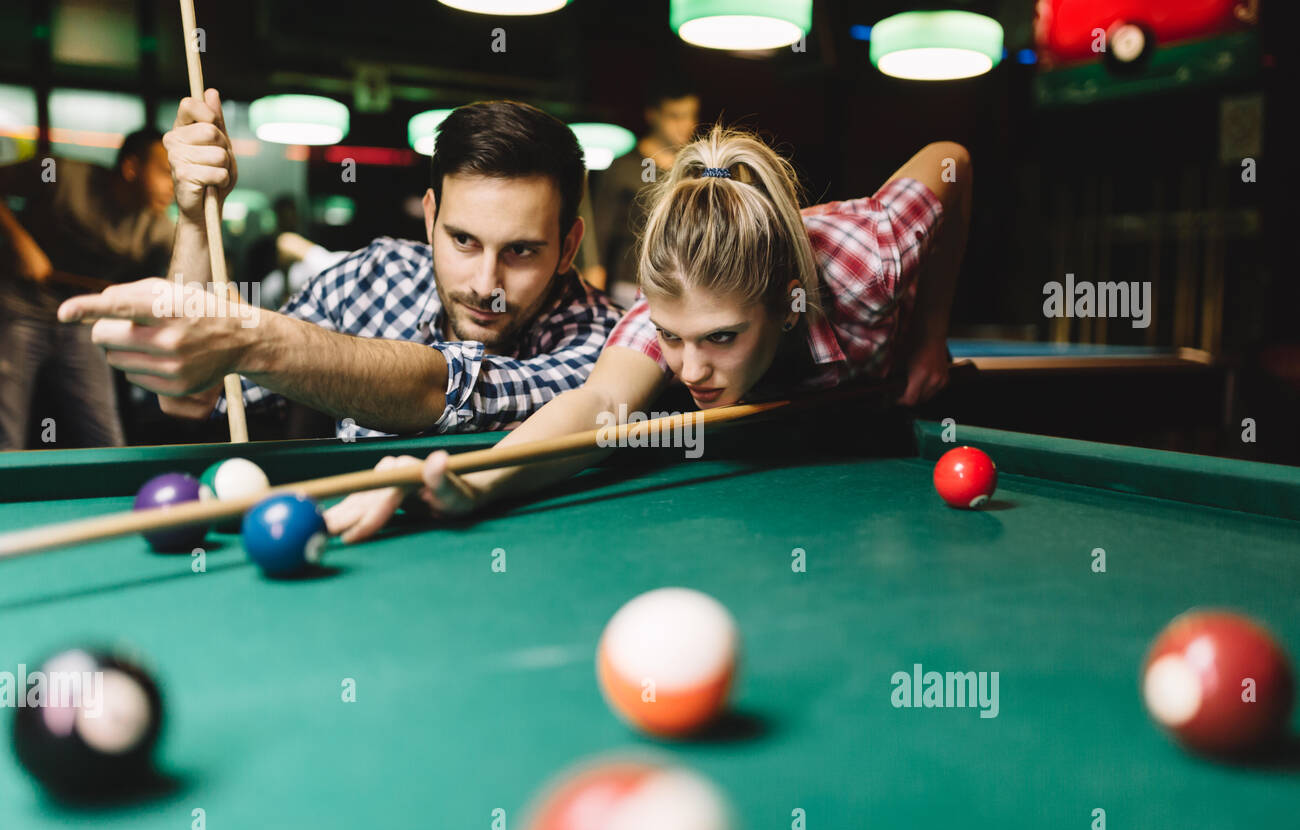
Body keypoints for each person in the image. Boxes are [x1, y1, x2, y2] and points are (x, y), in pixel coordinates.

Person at [326, 125, 971, 542]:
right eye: (671, 336)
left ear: (788, 307)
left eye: (721, 338)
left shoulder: (871, 256)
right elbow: (598, 405)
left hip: (890, 416)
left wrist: (929, 335)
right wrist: (474, 483)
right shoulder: (656, 313)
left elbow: (952, 159)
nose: (688, 371)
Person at [57, 95, 624, 439]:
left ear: (569, 246)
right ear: (430, 220)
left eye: (521, 251)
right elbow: (194, 397)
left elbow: (450, 388)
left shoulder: (610, 343)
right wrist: (192, 216)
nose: (485, 285)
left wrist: (251, 340)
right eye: (463, 241)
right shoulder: (372, 278)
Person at [0, 130, 174, 449]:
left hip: (82, 325)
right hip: (19, 313)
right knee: (5, 432)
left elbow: (179, 279)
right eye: (165, 173)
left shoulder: (159, 228)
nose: (173, 187)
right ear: (132, 167)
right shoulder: (60, 174)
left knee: (105, 435)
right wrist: (19, 243)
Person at [583, 82, 700, 306]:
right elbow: (598, 236)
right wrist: (593, 300)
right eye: (675, 116)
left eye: (689, 116)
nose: (684, 125)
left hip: (688, 287)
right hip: (632, 286)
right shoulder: (623, 167)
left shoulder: (696, 169)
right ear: (653, 115)